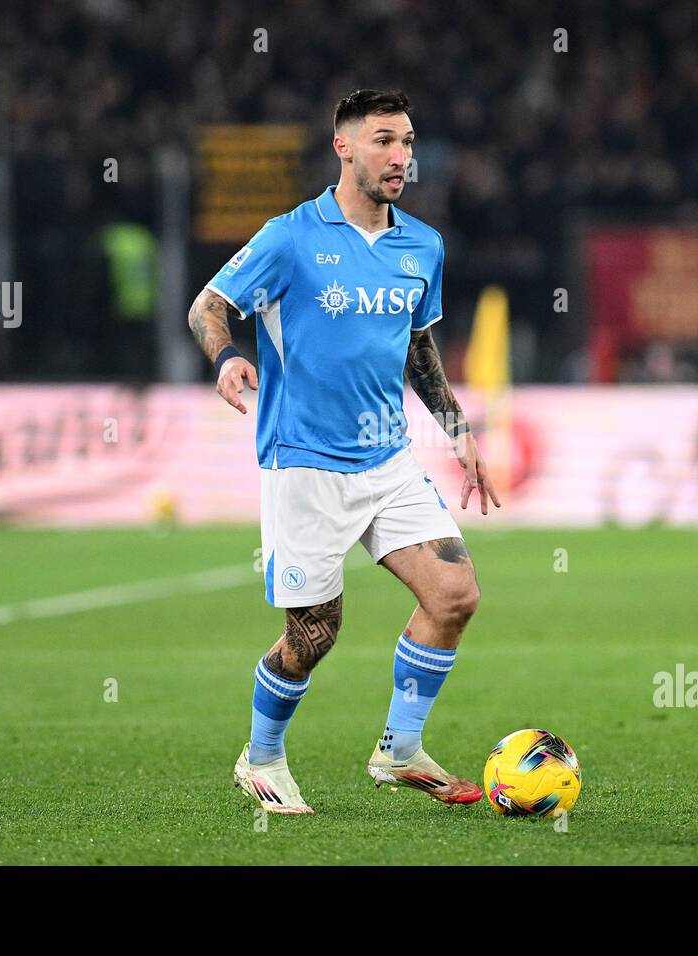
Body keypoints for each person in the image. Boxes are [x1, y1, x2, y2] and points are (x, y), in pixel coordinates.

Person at [187, 89, 502, 814]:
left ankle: (399, 750)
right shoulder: (291, 236)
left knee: (454, 595)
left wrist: (458, 433)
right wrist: (227, 357)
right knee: (315, 630)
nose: (402, 157)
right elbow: (208, 305)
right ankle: (260, 758)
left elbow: (419, 347)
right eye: (386, 141)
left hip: (386, 458)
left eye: (409, 142)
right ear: (345, 148)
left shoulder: (422, 245)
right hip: (303, 460)